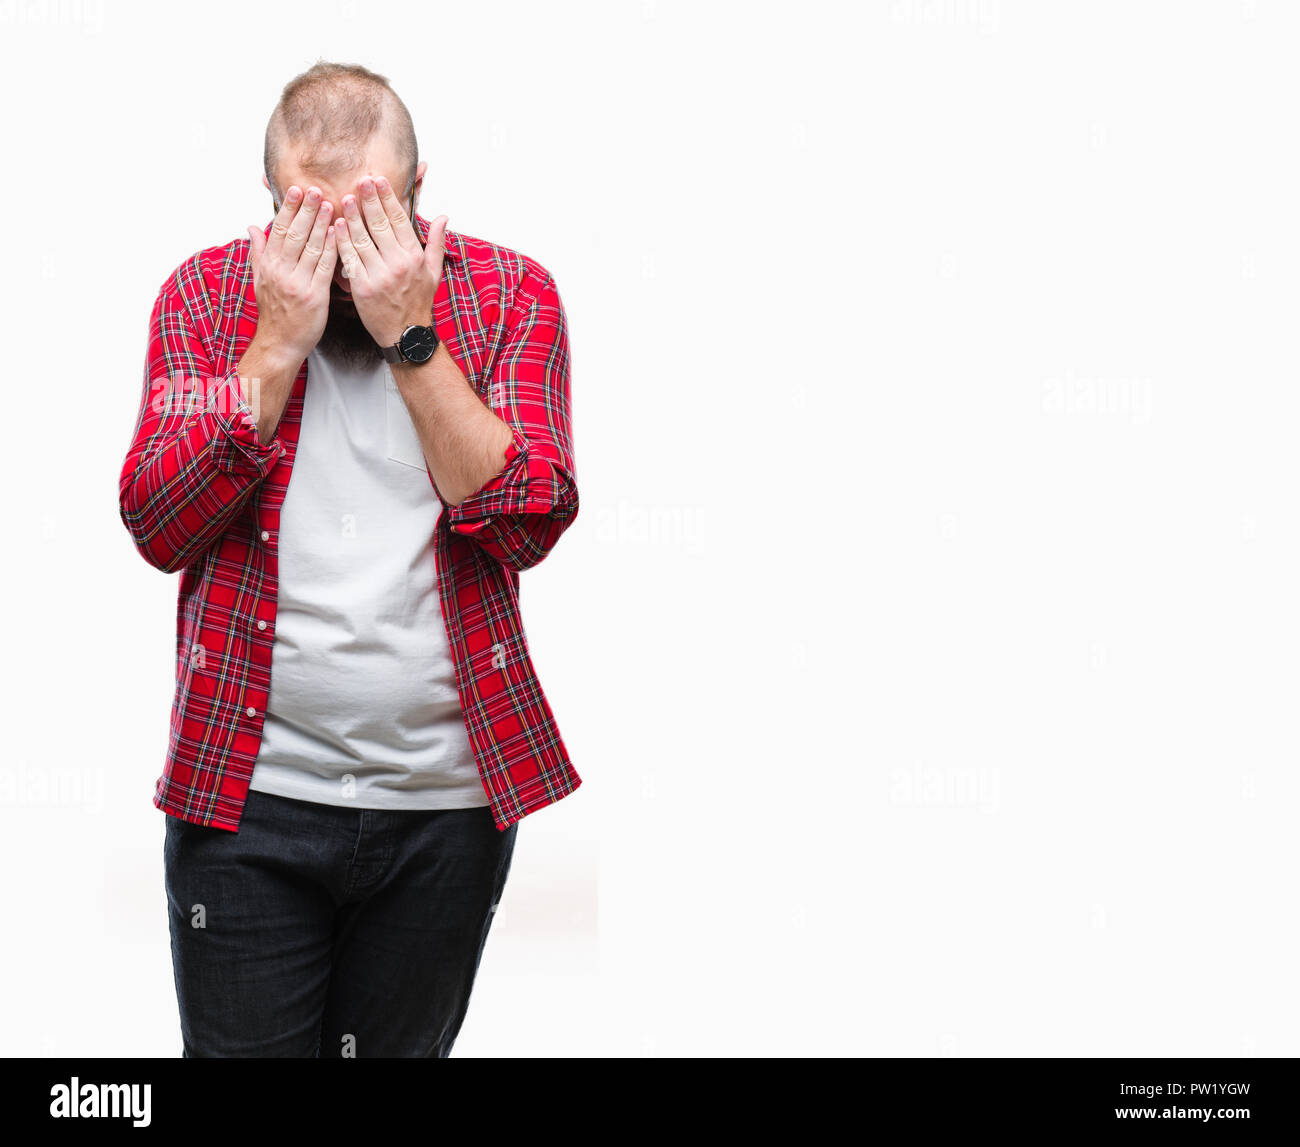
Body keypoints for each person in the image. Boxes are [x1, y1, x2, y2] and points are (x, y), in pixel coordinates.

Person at [118, 61, 581, 1057]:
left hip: (446, 811)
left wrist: (411, 334)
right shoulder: (204, 298)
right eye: (305, 220)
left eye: (368, 218)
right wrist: (274, 346)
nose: (335, 256)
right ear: (268, 207)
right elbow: (158, 522)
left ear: (418, 196)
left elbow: (527, 520)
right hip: (244, 805)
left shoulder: (510, 298)